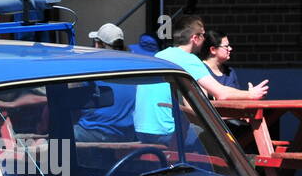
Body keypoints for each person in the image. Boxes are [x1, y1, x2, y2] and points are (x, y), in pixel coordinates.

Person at [134, 16, 269, 145]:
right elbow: (221, 94)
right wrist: (251, 94)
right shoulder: (188, 59)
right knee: (222, 137)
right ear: (195, 38)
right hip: (166, 133)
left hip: (142, 131)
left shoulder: (160, 55)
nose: (205, 39)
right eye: (203, 35)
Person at [75, 23, 136, 143]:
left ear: (98, 44)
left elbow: (74, 98)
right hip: (126, 134)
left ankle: (59, 162)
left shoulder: (93, 67)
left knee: (58, 138)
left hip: (98, 132)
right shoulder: (132, 64)